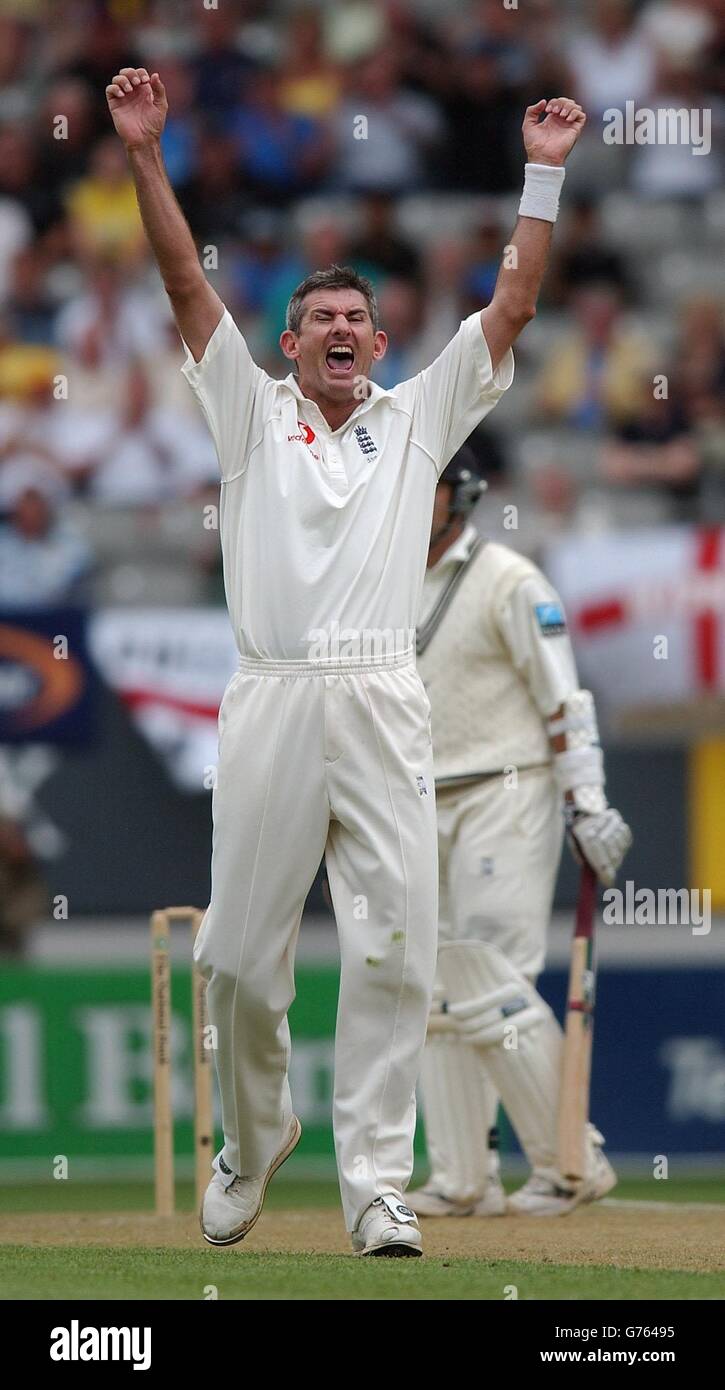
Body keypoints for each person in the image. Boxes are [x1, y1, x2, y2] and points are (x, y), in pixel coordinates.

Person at [106, 64, 586, 1256]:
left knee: (391, 949)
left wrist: (541, 173)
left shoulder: (417, 417)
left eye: (353, 318)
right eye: (316, 317)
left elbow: (514, 305)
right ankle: (248, 1138)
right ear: (286, 337)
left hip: (381, 693)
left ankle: (375, 1179)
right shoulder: (244, 406)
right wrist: (142, 154)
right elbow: (178, 278)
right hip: (270, 693)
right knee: (231, 962)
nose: (335, 329)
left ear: (377, 339)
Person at [409, 448, 632, 1218]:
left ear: (460, 496)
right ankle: (462, 1178)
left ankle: (572, 1162)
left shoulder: (508, 578)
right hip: (416, 799)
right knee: (434, 987)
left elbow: (562, 697)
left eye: (427, 486)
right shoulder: (378, 579)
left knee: (489, 975)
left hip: (507, 789)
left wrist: (588, 801)